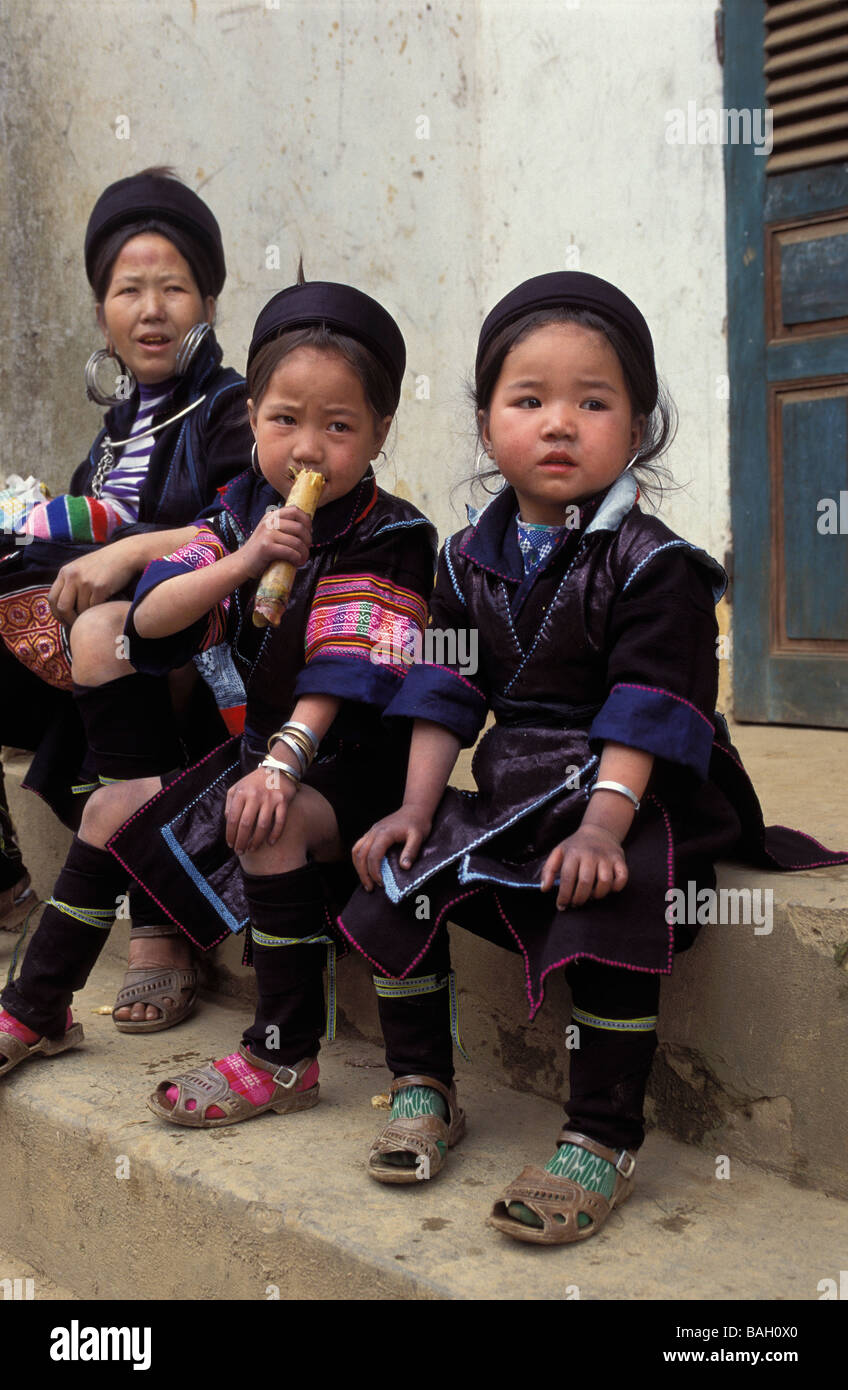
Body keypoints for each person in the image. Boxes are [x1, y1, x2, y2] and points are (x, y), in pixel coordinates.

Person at [338, 270, 848, 1243]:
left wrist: (605, 826)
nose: (559, 423)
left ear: (637, 425)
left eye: (592, 401)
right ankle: (421, 1084)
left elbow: (646, 706)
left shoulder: (653, 564)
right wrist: (411, 806)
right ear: (488, 424)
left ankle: (600, 1134)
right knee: (393, 869)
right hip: (520, 783)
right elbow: (443, 692)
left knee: (608, 892)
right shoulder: (460, 562)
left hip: (636, 788)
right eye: (528, 400)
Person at [0, 279, 438, 1121]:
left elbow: (343, 677)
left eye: (339, 426)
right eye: (284, 421)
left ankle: (284, 1055)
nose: (308, 450)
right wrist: (240, 565)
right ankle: (36, 1010)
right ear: (254, 418)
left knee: (264, 818)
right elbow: (155, 619)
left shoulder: (393, 537)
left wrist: (279, 767)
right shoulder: (241, 511)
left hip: (352, 768)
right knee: (107, 810)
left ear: (381, 430)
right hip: (260, 757)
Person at [0, 168, 252, 1031]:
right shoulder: (113, 439)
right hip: (103, 658)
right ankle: (6, 883)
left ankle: (155, 923)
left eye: (173, 288)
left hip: (206, 652)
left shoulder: (234, 411)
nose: (151, 310)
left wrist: (130, 556)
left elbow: (239, 530)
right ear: (102, 311)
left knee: (115, 639)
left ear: (210, 301)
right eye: (128, 290)